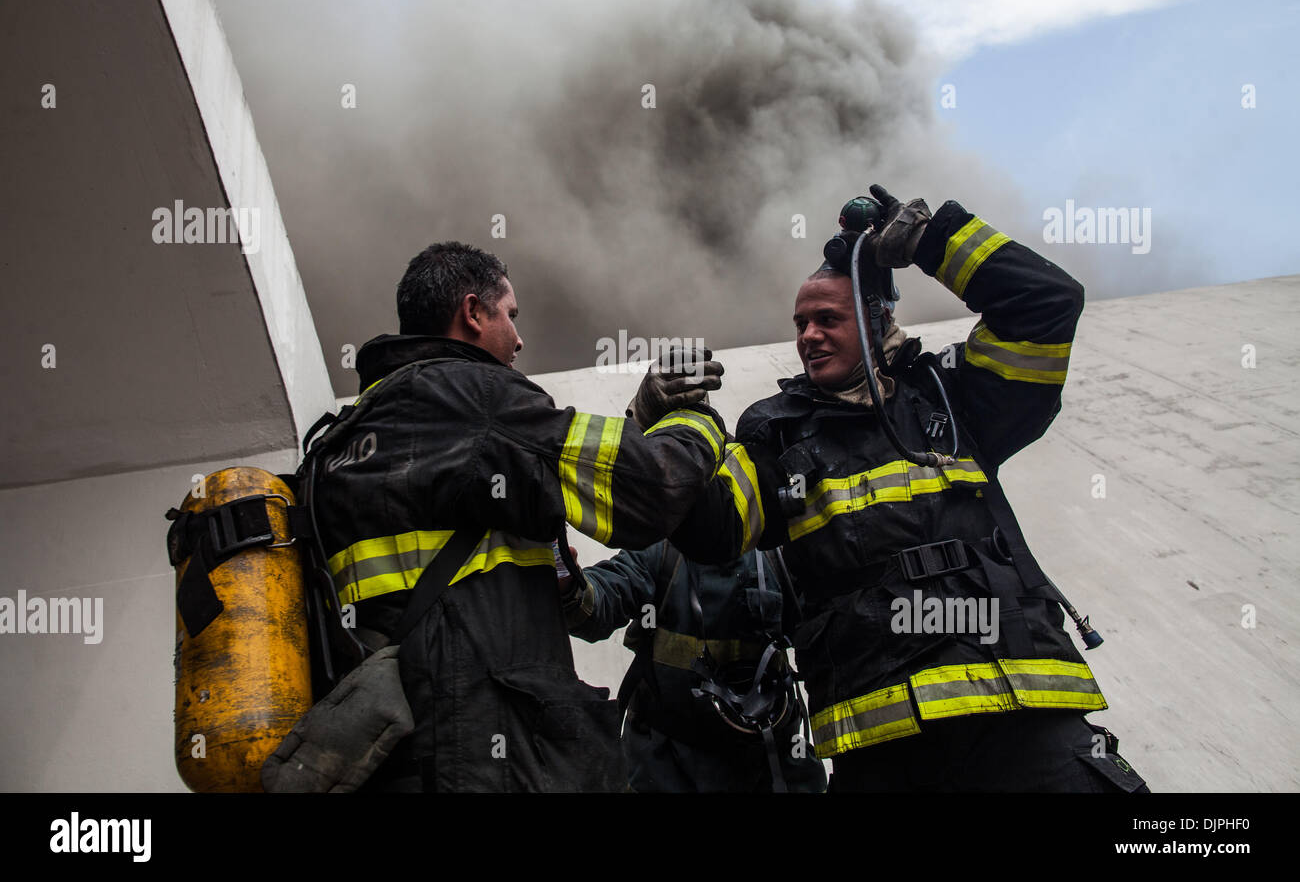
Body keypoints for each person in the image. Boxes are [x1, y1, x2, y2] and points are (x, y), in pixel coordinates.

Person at [672, 186, 1149, 792]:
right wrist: (668, 422)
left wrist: (934, 239)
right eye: (801, 324)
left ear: (877, 322)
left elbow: (1046, 303)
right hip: (885, 740)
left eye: (828, 319)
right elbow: (710, 528)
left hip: (1020, 710)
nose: (809, 336)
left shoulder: (954, 396)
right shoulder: (775, 430)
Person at [311, 241, 727, 792]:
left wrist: (638, 413)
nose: (520, 337)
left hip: (387, 752)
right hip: (486, 746)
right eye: (510, 315)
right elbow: (647, 485)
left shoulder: (340, 437)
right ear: (473, 313)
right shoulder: (477, 397)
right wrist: (697, 422)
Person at [560, 531, 827, 793]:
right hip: (665, 766)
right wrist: (572, 587)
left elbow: (826, 624)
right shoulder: (662, 553)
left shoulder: (777, 554)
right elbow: (605, 597)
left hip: (764, 764)